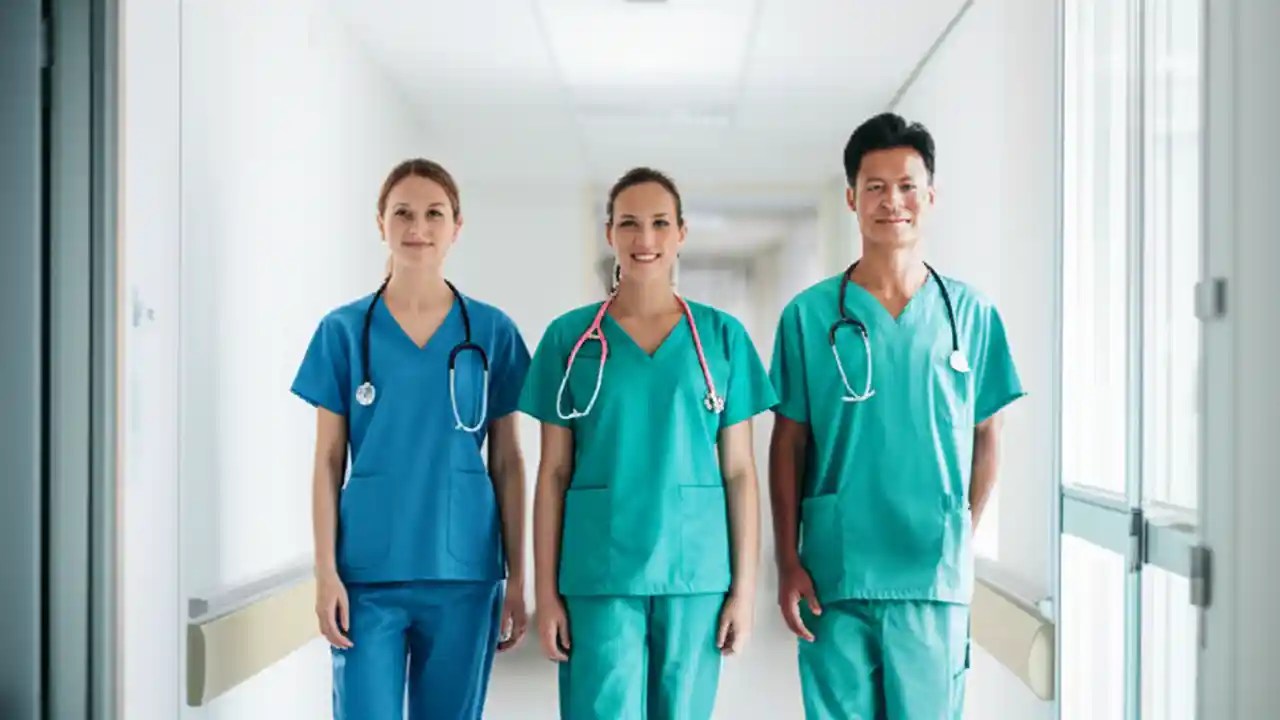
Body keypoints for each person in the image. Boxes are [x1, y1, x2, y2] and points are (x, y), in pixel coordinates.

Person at [767, 113, 1025, 719]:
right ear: (852, 198)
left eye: (907, 186)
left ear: (930, 196)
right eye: (876, 187)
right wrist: (787, 558)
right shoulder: (808, 316)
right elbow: (788, 444)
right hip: (836, 571)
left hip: (931, 575)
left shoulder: (971, 314)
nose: (892, 202)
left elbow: (989, 434)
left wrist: (961, 528)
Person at [517, 167, 778, 720]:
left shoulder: (721, 337)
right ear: (609, 233)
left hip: (695, 574)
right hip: (599, 572)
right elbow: (553, 472)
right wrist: (546, 593)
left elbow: (739, 471)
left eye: (660, 223)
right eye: (629, 223)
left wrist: (744, 591)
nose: (645, 238)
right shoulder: (569, 339)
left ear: (681, 232)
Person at [290, 158, 532, 719]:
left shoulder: (491, 331)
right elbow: (327, 461)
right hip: (367, 574)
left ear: (456, 227)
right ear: (380, 223)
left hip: (464, 571)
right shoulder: (343, 332)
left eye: (433, 214)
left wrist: (518, 577)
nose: (417, 227)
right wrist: (326, 573)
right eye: (402, 213)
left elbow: (508, 462)